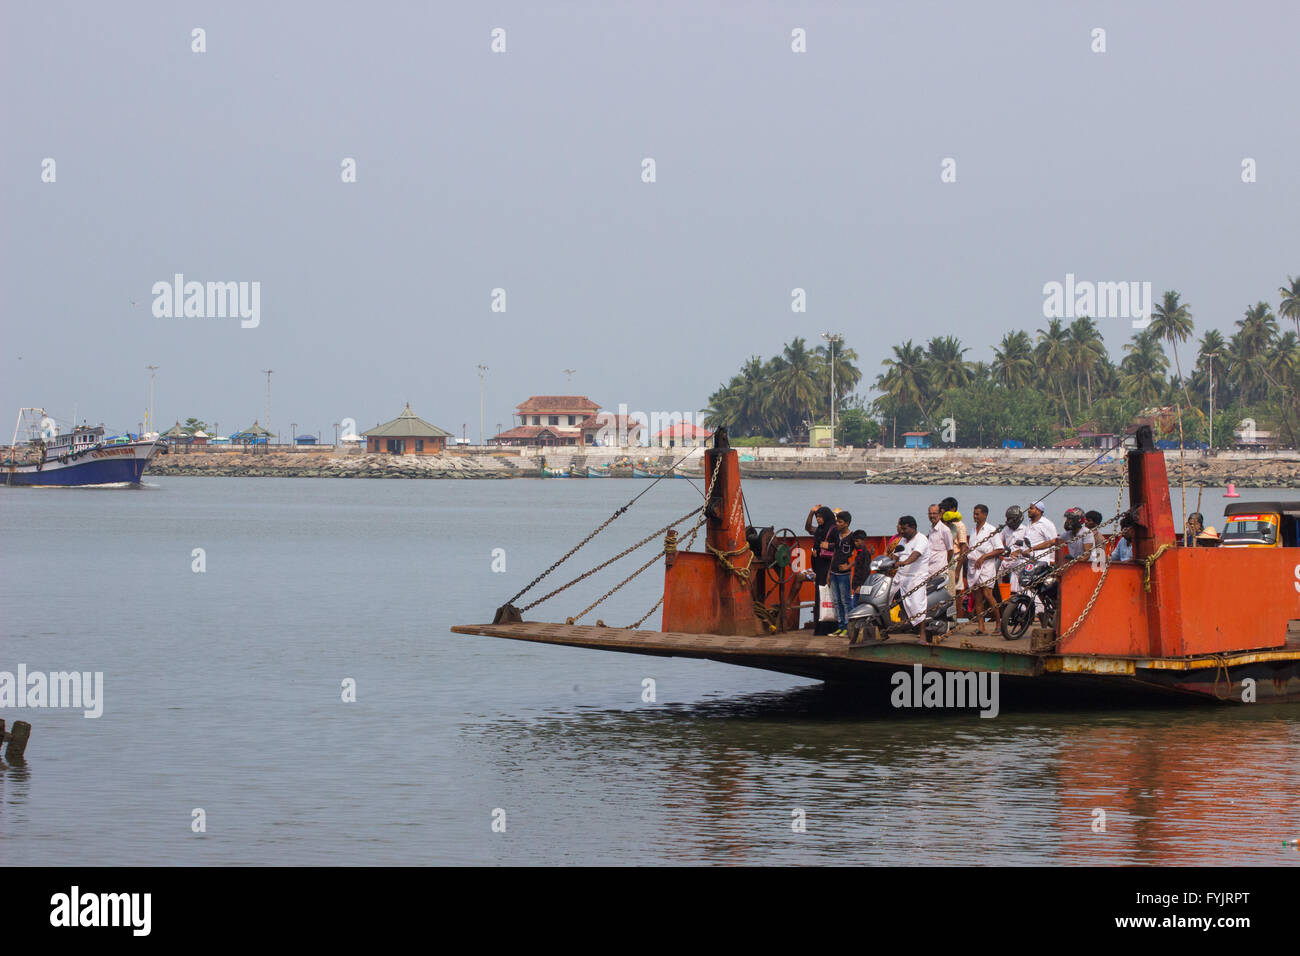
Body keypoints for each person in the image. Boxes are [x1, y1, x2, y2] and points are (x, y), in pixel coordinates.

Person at [889, 515, 930, 641]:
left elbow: (915, 555)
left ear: (913, 527)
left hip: (916, 578)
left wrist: (905, 562)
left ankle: (922, 635)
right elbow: (895, 556)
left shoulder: (921, 539)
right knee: (885, 597)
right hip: (900, 576)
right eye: (901, 529)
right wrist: (886, 562)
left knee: (918, 606)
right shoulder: (902, 540)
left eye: (904, 529)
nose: (902, 532)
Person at [965, 504, 1003, 634]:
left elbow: (999, 549)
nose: (975, 516)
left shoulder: (991, 530)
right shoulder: (973, 530)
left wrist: (984, 557)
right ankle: (981, 627)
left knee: (988, 594)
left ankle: (999, 623)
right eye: (974, 514)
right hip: (973, 566)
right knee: (977, 597)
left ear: (985, 515)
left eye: (978, 514)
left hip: (986, 566)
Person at [828, 511, 855, 636]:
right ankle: (840, 626)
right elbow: (834, 553)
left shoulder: (852, 538)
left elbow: (861, 555)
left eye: (840, 522)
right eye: (837, 521)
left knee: (846, 601)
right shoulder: (837, 535)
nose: (837, 524)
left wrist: (848, 566)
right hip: (834, 572)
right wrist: (829, 572)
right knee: (837, 601)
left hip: (844, 575)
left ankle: (848, 627)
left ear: (847, 524)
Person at [939, 497, 969, 594]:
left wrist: (957, 570)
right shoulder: (942, 525)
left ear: (953, 509)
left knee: (956, 589)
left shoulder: (959, 525)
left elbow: (963, 548)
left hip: (955, 559)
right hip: (943, 559)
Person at [804, 505, 836, 587]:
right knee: (819, 590)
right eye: (817, 517)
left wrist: (829, 546)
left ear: (826, 517)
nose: (818, 519)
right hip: (818, 566)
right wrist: (811, 512)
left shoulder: (834, 530)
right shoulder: (820, 529)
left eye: (821, 517)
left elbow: (840, 545)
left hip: (828, 566)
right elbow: (808, 528)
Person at [1000, 505, 1027, 594]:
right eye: (1008, 519)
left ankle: (1014, 594)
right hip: (1006, 559)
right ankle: (999, 593)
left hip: (1019, 559)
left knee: (1016, 574)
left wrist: (1019, 551)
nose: (1008, 521)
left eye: (1011, 519)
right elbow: (999, 541)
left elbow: (1028, 546)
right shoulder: (1006, 530)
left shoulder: (1025, 530)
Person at [926, 503, 955, 588]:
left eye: (934, 513)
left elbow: (950, 550)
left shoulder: (945, 530)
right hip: (929, 570)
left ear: (940, 515)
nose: (932, 516)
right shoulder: (931, 529)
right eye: (930, 513)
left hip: (940, 571)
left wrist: (944, 565)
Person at [849, 529, 873, 597]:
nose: (855, 543)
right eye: (854, 541)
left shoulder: (865, 554)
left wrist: (860, 586)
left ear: (863, 541)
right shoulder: (859, 552)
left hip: (861, 586)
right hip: (857, 585)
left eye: (857, 541)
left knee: (857, 604)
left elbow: (866, 571)